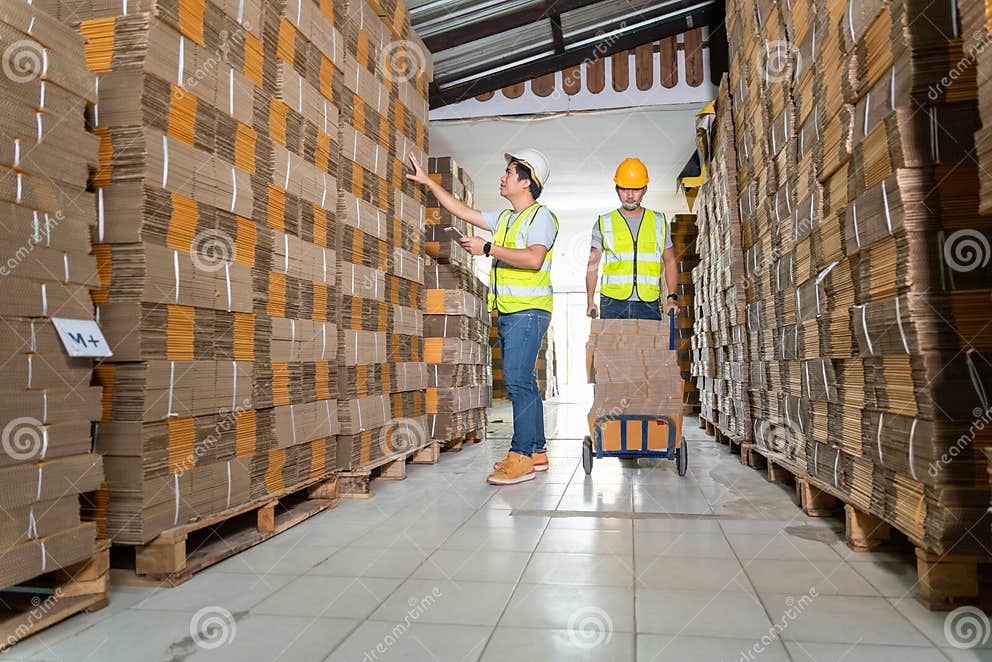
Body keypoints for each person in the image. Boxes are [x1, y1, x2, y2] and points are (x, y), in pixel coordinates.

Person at [407, 148, 558, 485]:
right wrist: (428, 182)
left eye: (509, 172)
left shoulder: (541, 218)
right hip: (510, 311)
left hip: (529, 311)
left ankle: (520, 457)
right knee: (525, 382)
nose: (502, 177)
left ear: (527, 181)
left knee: (518, 382)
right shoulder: (504, 218)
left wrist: (487, 248)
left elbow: (534, 259)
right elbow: (460, 209)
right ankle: (536, 452)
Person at [586, 158, 681, 320]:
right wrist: (590, 300)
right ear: (617, 189)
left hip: (648, 302)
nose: (629, 195)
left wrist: (672, 298)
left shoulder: (659, 222)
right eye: (624, 189)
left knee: (648, 346)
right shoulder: (603, 222)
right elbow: (593, 264)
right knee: (613, 346)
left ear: (644, 189)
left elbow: (670, 261)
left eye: (635, 189)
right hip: (612, 302)